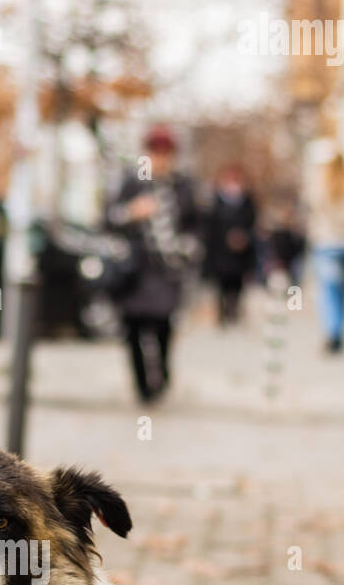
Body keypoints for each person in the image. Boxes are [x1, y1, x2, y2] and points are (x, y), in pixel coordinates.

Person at [106, 125, 200, 402]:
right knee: (133, 328)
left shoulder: (183, 185)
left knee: (163, 325)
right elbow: (108, 219)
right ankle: (142, 385)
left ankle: (162, 374)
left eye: (165, 153)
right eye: (155, 152)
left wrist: (188, 246)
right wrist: (132, 212)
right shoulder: (131, 182)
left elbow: (197, 225)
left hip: (168, 269)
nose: (160, 158)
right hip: (135, 269)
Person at [308, 150, 344, 353]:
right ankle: (340, 331)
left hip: (326, 246)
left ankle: (332, 332)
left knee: (328, 294)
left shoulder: (320, 187)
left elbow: (314, 213)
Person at [202, 163, 257, 324]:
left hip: (241, 253)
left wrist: (243, 237)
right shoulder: (215, 201)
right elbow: (210, 226)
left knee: (237, 283)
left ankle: (234, 310)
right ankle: (223, 312)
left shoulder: (247, 201)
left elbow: (252, 222)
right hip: (221, 251)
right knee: (221, 284)